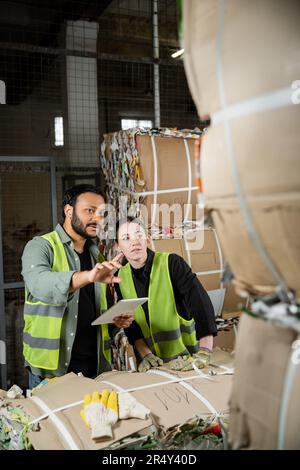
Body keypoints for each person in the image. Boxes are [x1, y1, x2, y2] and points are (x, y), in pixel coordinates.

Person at [21, 184, 133, 389]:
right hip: (51, 373)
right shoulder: (40, 246)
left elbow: (92, 314)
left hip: (94, 369)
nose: (97, 219)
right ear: (68, 211)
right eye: (90, 211)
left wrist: (114, 321)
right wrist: (88, 276)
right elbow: (40, 285)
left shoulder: (95, 256)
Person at [114, 217, 217, 372]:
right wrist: (146, 355)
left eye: (139, 235)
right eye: (126, 238)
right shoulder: (119, 277)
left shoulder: (172, 264)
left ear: (147, 239)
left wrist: (205, 351)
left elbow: (200, 303)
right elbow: (132, 325)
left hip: (188, 361)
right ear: (118, 246)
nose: (134, 242)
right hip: (153, 367)